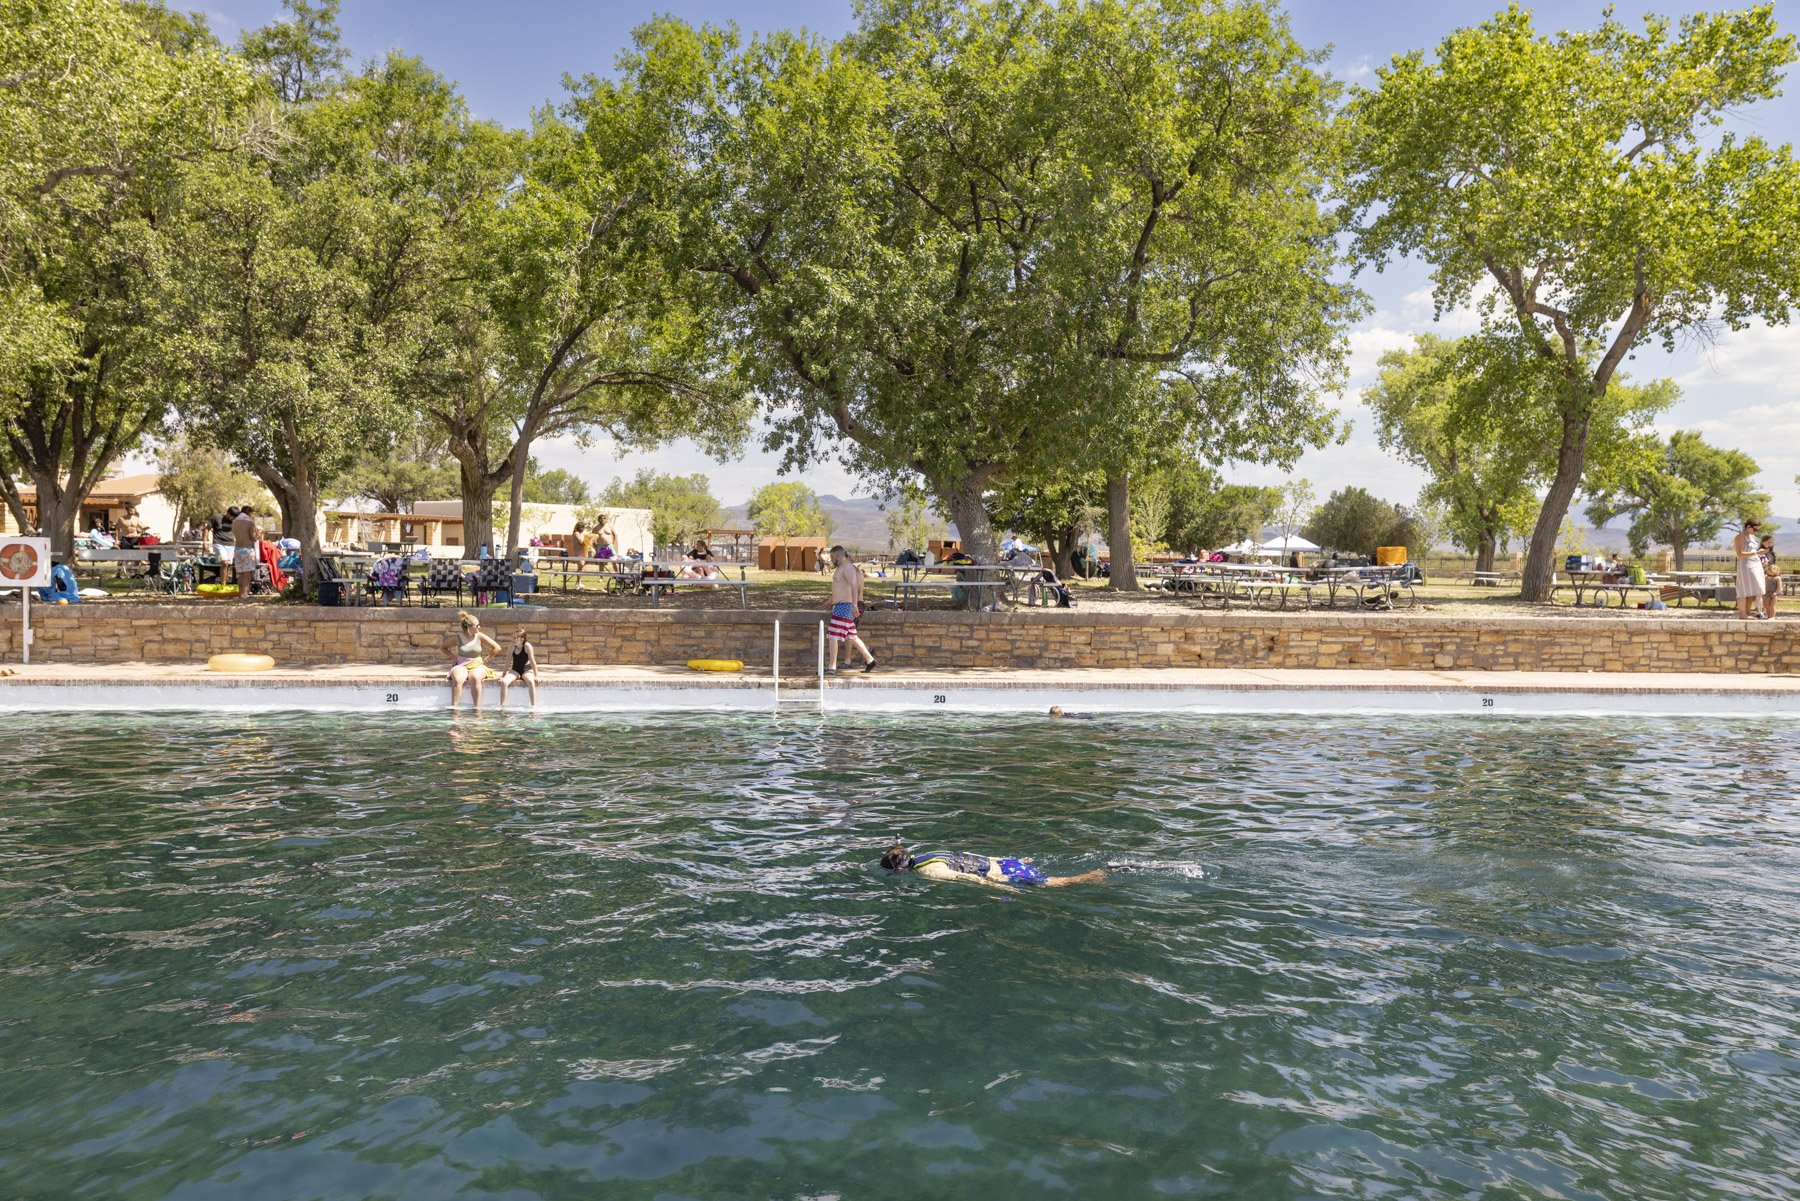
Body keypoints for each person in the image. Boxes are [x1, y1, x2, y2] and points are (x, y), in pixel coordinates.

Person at [879, 841, 1107, 889]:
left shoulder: (929, 871)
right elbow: (968, 855)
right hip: (1005, 862)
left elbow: (970, 878)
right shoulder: (927, 854)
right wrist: (1003, 859)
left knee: (1053, 884)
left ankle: (1093, 875)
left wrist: (1001, 887)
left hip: (1007, 873)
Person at [825, 544, 876, 675]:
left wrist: (854, 605)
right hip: (841, 605)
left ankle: (832, 667)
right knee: (851, 636)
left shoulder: (847, 568)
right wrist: (830, 601)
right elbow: (841, 587)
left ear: (838, 556)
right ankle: (870, 660)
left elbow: (854, 586)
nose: (831, 560)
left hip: (844, 606)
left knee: (832, 635)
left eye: (832, 557)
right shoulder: (842, 568)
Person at [442, 611, 501, 709]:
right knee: (457, 678)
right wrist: (453, 656)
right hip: (462, 664)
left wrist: (486, 660)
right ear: (468, 627)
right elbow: (443, 647)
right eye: (477, 625)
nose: (479, 627)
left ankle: (477, 708)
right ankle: (455, 709)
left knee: (474, 677)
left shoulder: (480, 636)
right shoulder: (458, 638)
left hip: (477, 665)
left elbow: (497, 648)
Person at [1733, 518, 1767, 620]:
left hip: (1755, 564)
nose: (1756, 531)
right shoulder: (1740, 537)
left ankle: (1748, 613)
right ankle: (1742, 614)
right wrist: (1757, 553)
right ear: (1748, 527)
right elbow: (1740, 554)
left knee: (1755, 589)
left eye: (1758, 530)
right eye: (1755, 529)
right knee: (1744, 589)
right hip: (1746, 565)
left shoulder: (1752, 537)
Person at [499, 630, 540, 708]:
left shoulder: (527, 646)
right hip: (515, 670)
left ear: (522, 639)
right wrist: (503, 675)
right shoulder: (511, 647)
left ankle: (533, 706)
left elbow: (532, 661)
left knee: (531, 681)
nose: (513, 640)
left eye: (515, 638)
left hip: (526, 670)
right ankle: (502, 706)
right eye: (512, 638)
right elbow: (507, 662)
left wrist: (536, 675)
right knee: (504, 682)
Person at [231, 506, 259, 592]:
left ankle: (240, 593)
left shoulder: (234, 522)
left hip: (237, 549)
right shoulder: (249, 522)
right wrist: (259, 534)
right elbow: (254, 537)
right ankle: (244, 594)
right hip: (247, 549)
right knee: (247, 574)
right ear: (249, 513)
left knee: (240, 574)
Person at [1759, 532, 1781, 620]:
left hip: (1772, 576)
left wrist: (1775, 573)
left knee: (1772, 601)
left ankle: (1771, 616)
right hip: (1762, 575)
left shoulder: (1772, 553)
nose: (1770, 544)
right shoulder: (1759, 552)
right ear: (1763, 542)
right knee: (1763, 597)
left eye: (1771, 542)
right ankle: (1761, 612)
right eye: (1768, 542)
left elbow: (1773, 565)